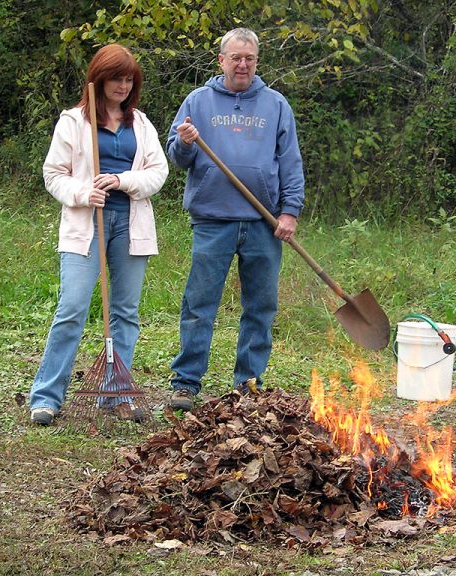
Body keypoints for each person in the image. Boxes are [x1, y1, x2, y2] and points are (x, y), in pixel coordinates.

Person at [29, 44, 169, 426]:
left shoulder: (140, 123)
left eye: (129, 79)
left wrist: (122, 179)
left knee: (125, 312)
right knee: (72, 307)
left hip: (130, 225)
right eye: (116, 78)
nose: (123, 85)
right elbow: (53, 174)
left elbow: (159, 172)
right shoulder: (73, 121)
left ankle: (115, 393)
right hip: (85, 224)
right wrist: (82, 192)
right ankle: (45, 396)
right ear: (99, 79)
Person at [166, 27, 305, 412]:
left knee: (260, 306)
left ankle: (248, 384)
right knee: (199, 303)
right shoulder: (198, 101)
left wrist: (289, 211)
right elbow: (176, 158)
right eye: (236, 57)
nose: (242, 64)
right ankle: (186, 382)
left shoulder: (276, 105)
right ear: (221, 60)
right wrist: (185, 142)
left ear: (256, 61)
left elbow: (290, 162)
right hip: (213, 220)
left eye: (250, 58)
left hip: (264, 224)